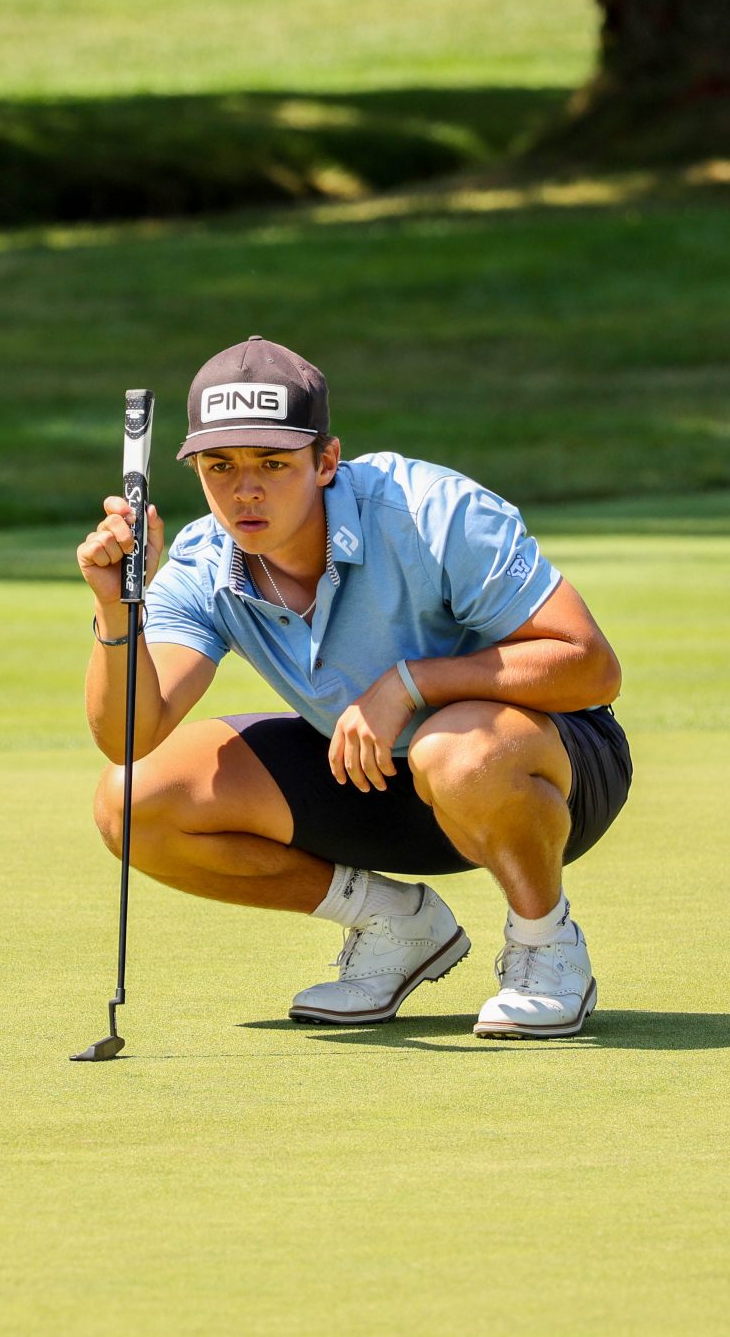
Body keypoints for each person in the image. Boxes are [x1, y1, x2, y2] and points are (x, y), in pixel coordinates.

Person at [77, 336, 631, 1038]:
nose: (245, 489)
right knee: (132, 799)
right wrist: (113, 605)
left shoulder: (430, 512)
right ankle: (397, 925)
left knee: (453, 749)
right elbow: (130, 735)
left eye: (273, 464)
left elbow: (590, 664)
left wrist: (410, 683)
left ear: (327, 461)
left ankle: (546, 943)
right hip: (371, 778)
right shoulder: (204, 562)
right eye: (220, 466)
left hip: (544, 770)